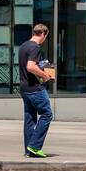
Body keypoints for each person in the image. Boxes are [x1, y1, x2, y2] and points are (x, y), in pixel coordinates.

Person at [18, 24, 55, 158]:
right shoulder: (35, 47)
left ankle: (29, 150)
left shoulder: (23, 46)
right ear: (44, 34)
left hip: (24, 88)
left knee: (30, 118)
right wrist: (45, 76)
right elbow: (30, 67)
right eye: (46, 35)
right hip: (35, 88)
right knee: (47, 114)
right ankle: (34, 145)